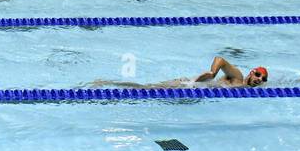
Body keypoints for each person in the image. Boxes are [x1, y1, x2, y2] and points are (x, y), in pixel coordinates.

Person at [92, 56, 268, 89]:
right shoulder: (237, 77)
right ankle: (106, 83)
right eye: (258, 74)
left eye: (263, 79)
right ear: (251, 73)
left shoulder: (243, 89)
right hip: (188, 84)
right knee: (145, 89)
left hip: (193, 91)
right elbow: (220, 59)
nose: (260, 80)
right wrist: (213, 73)